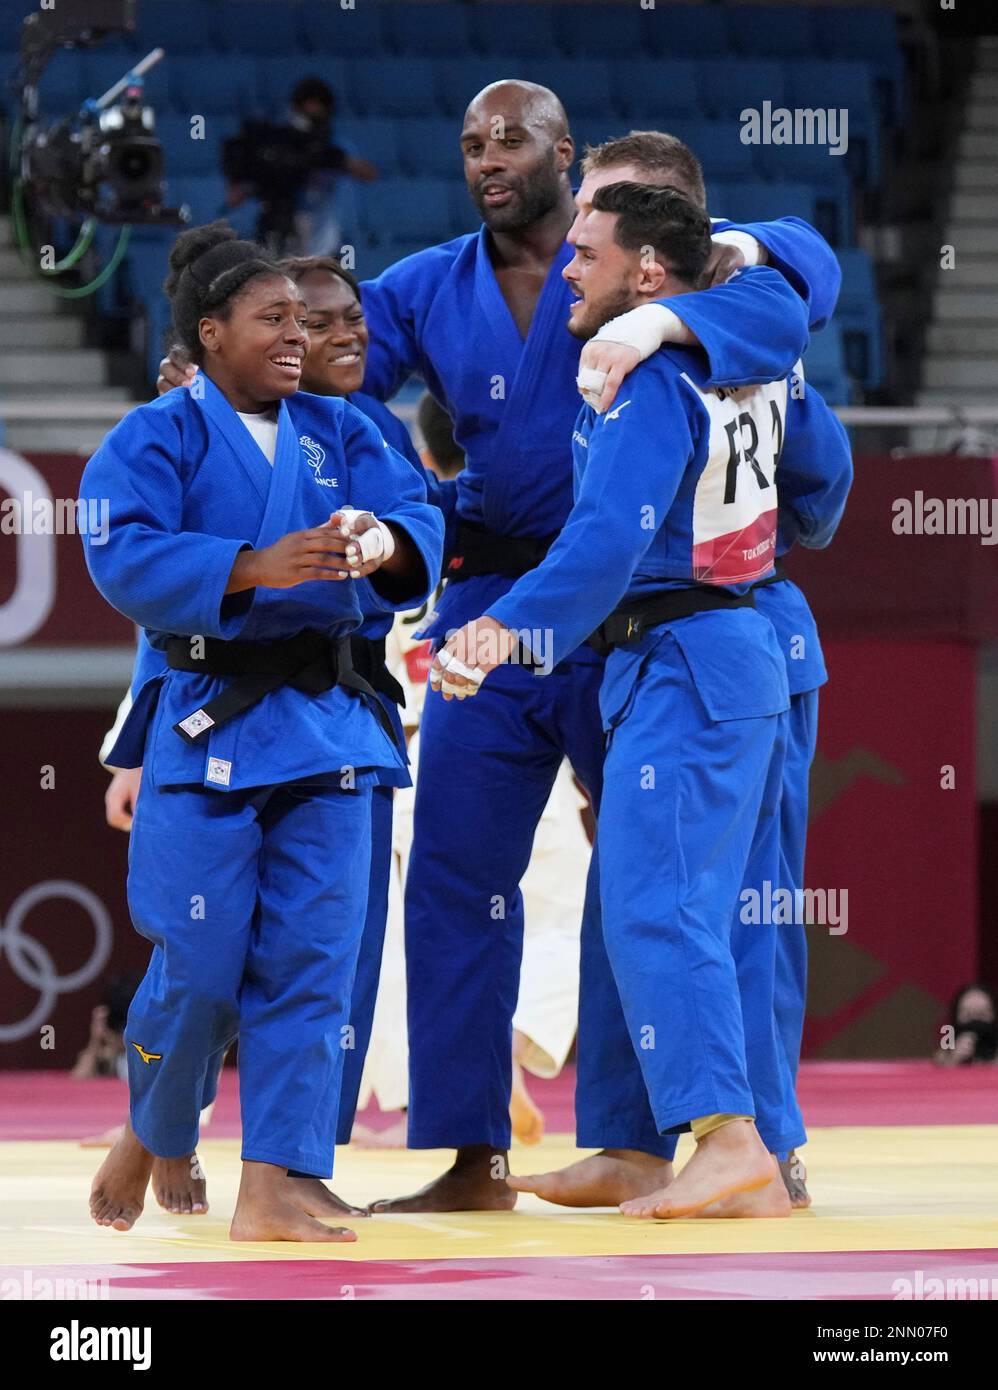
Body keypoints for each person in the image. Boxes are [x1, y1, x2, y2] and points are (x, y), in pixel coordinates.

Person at [357, 84, 838, 1215]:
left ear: (666, 245)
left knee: (691, 897)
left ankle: (738, 1137)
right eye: (469, 137)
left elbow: (796, 277)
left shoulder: (716, 319)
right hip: (558, 604)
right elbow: (323, 358)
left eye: (509, 138)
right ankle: (542, 1144)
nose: (486, 156)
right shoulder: (437, 287)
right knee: (549, 884)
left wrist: (670, 320)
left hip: (647, 619)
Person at [79, 222, 442, 1241]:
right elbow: (120, 551)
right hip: (209, 729)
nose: (298, 336)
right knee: (197, 962)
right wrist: (248, 566)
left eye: (306, 318)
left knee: (314, 961)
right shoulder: (156, 436)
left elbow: (420, 512)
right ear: (211, 333)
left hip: (331, 726)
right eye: (272, 319)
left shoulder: (344, 429)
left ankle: (278, 1178)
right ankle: (153, 1123)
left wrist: (387, 540)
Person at [223, 77, 377, 256]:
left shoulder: (336, 146)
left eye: (320, 110)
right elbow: (234, 198)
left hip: (323, 239)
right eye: (307, 110)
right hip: (281, 233)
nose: (313, 117)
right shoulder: (278, 144)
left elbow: (368, 173)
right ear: (295, 108)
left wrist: (326, 157)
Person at [935, 983, 998, 1066]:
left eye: (982, 1014)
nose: (975, 1021)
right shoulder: (945, 1051)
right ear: (956, 1016)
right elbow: (939, 1070)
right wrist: (953, 1060)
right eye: (968, 1015)